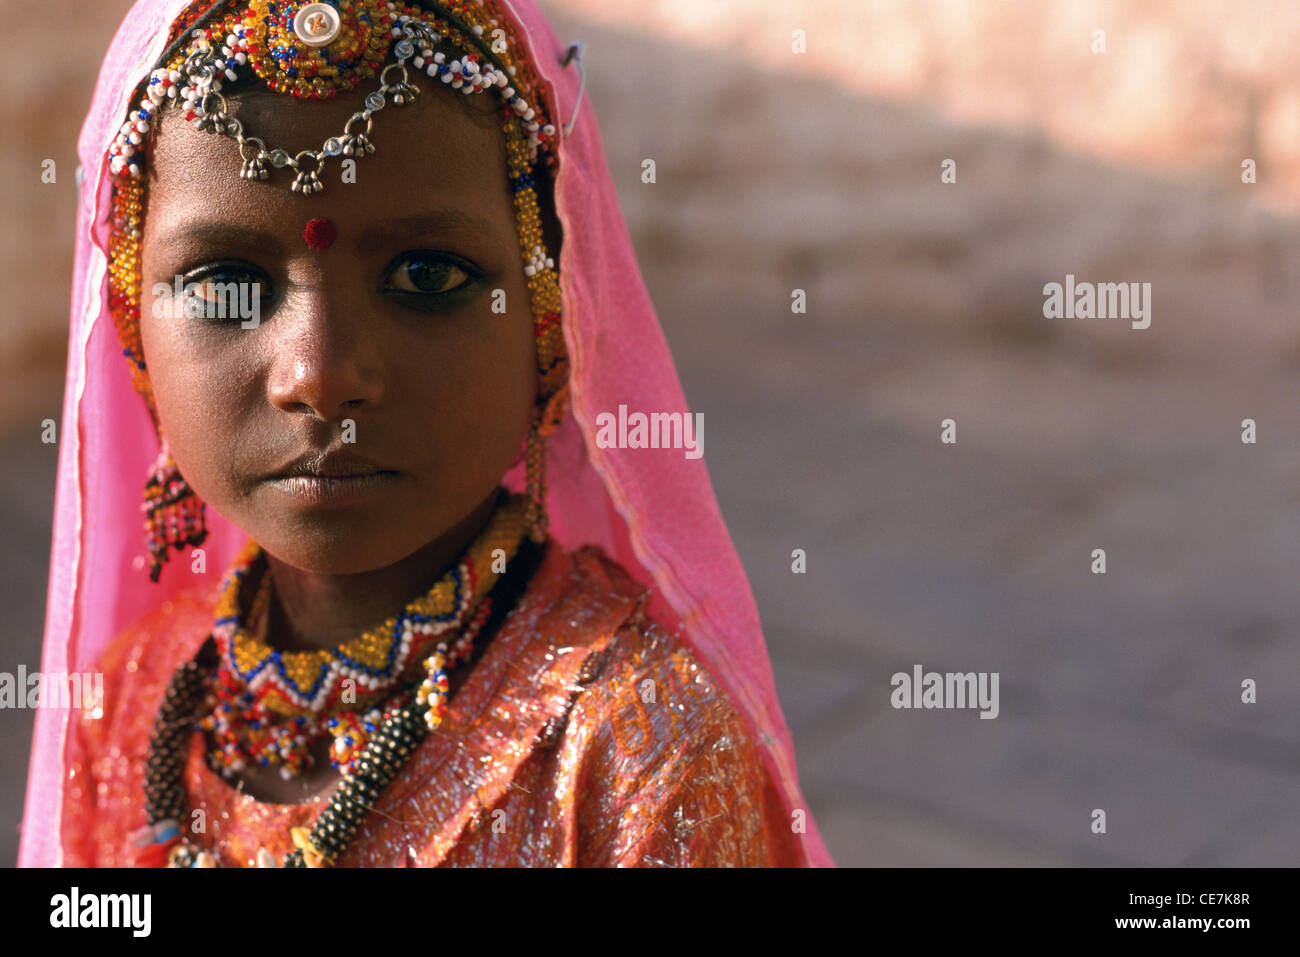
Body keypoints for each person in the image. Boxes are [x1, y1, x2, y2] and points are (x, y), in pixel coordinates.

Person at [20, 0, 833, 867]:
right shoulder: (129, 698)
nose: (321, 373)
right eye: (227, 284)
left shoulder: (635, 748)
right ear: (134, 327)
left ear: (550, 320)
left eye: (427, 274)